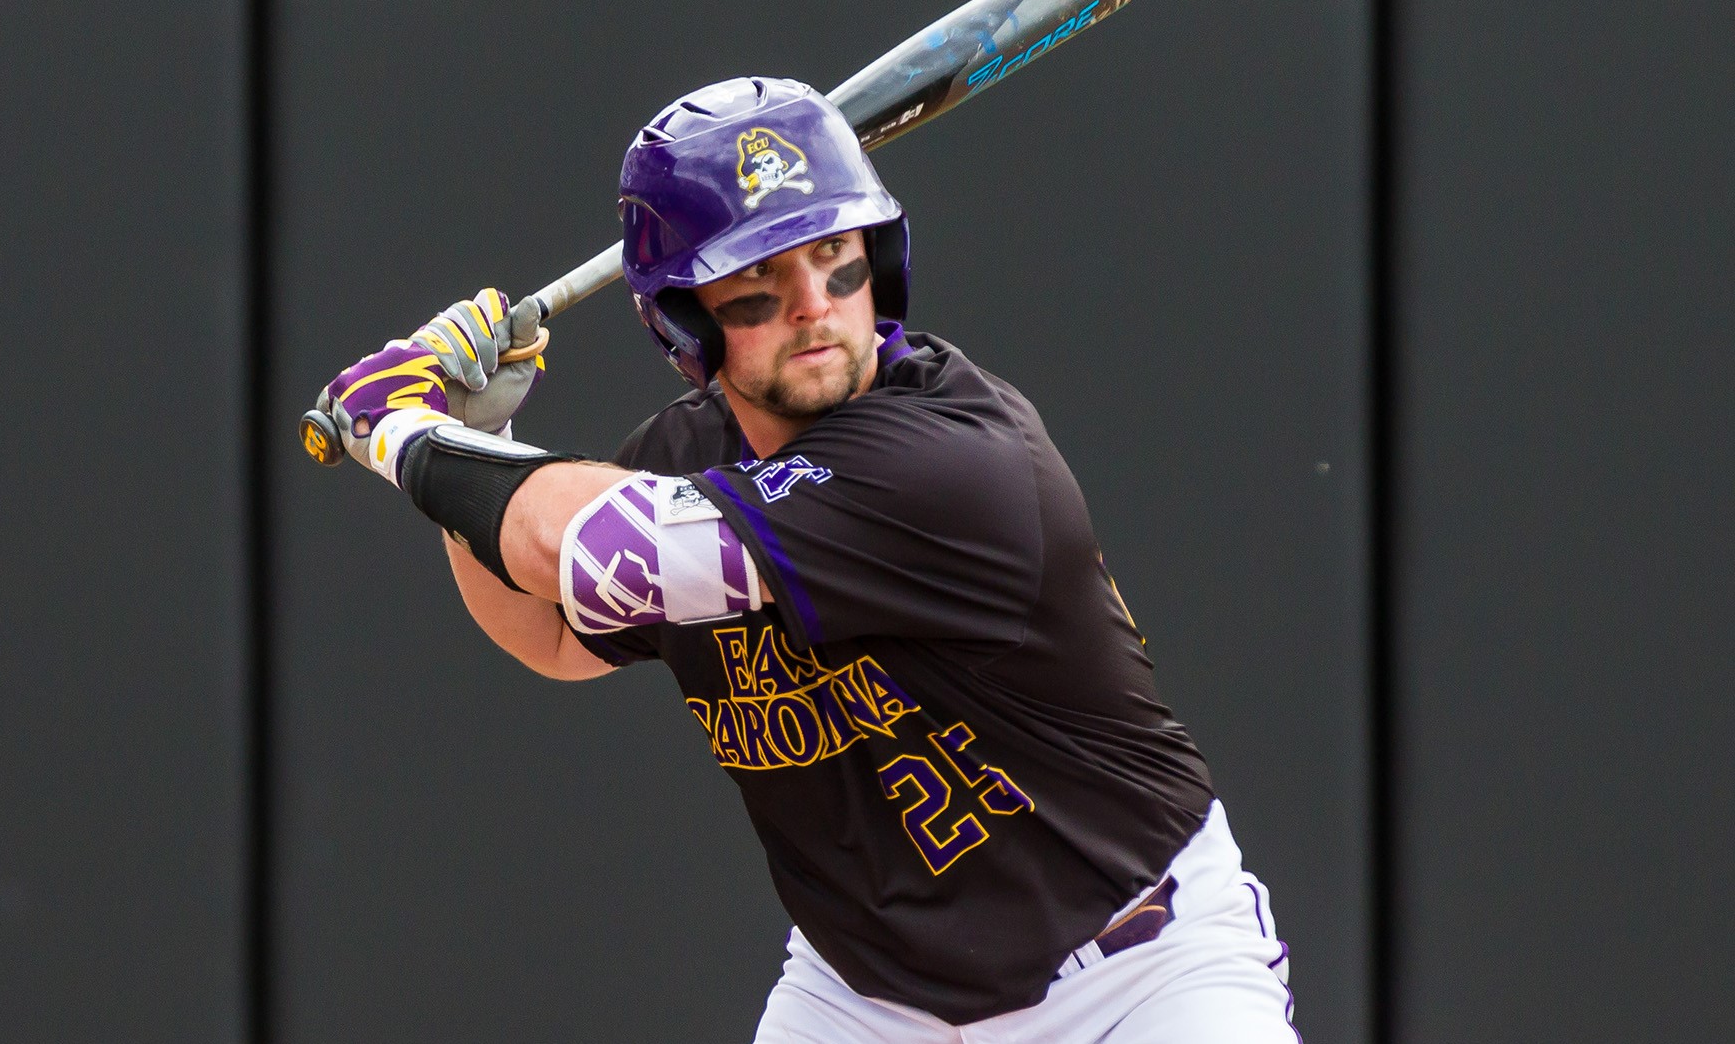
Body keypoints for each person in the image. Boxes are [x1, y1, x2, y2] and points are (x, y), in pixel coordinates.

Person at [315, 76, 1297, 1042]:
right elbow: (549, 631)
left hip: (1133, 972)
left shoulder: (951, 458)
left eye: (835, 258)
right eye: (759, 282)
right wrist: (475, 455)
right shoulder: (689, 457)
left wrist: (407, 437)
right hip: (865, 994)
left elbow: (610, 557)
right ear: (685, 317)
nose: (814, 306)